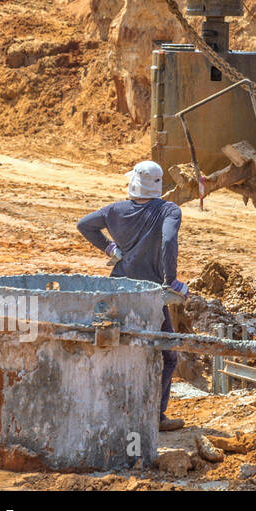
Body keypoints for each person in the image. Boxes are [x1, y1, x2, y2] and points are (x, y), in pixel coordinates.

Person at [77, 160, 187, 433]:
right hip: (149, 294)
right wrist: (169, 279)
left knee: (114, 347)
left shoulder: (115, 210)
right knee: (167, 355)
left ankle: (107, 410)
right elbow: (169, 241)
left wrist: (109, 248)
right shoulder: (169, 210)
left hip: (119, 289)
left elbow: (84, 225)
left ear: (133, 183)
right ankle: (156, 416)